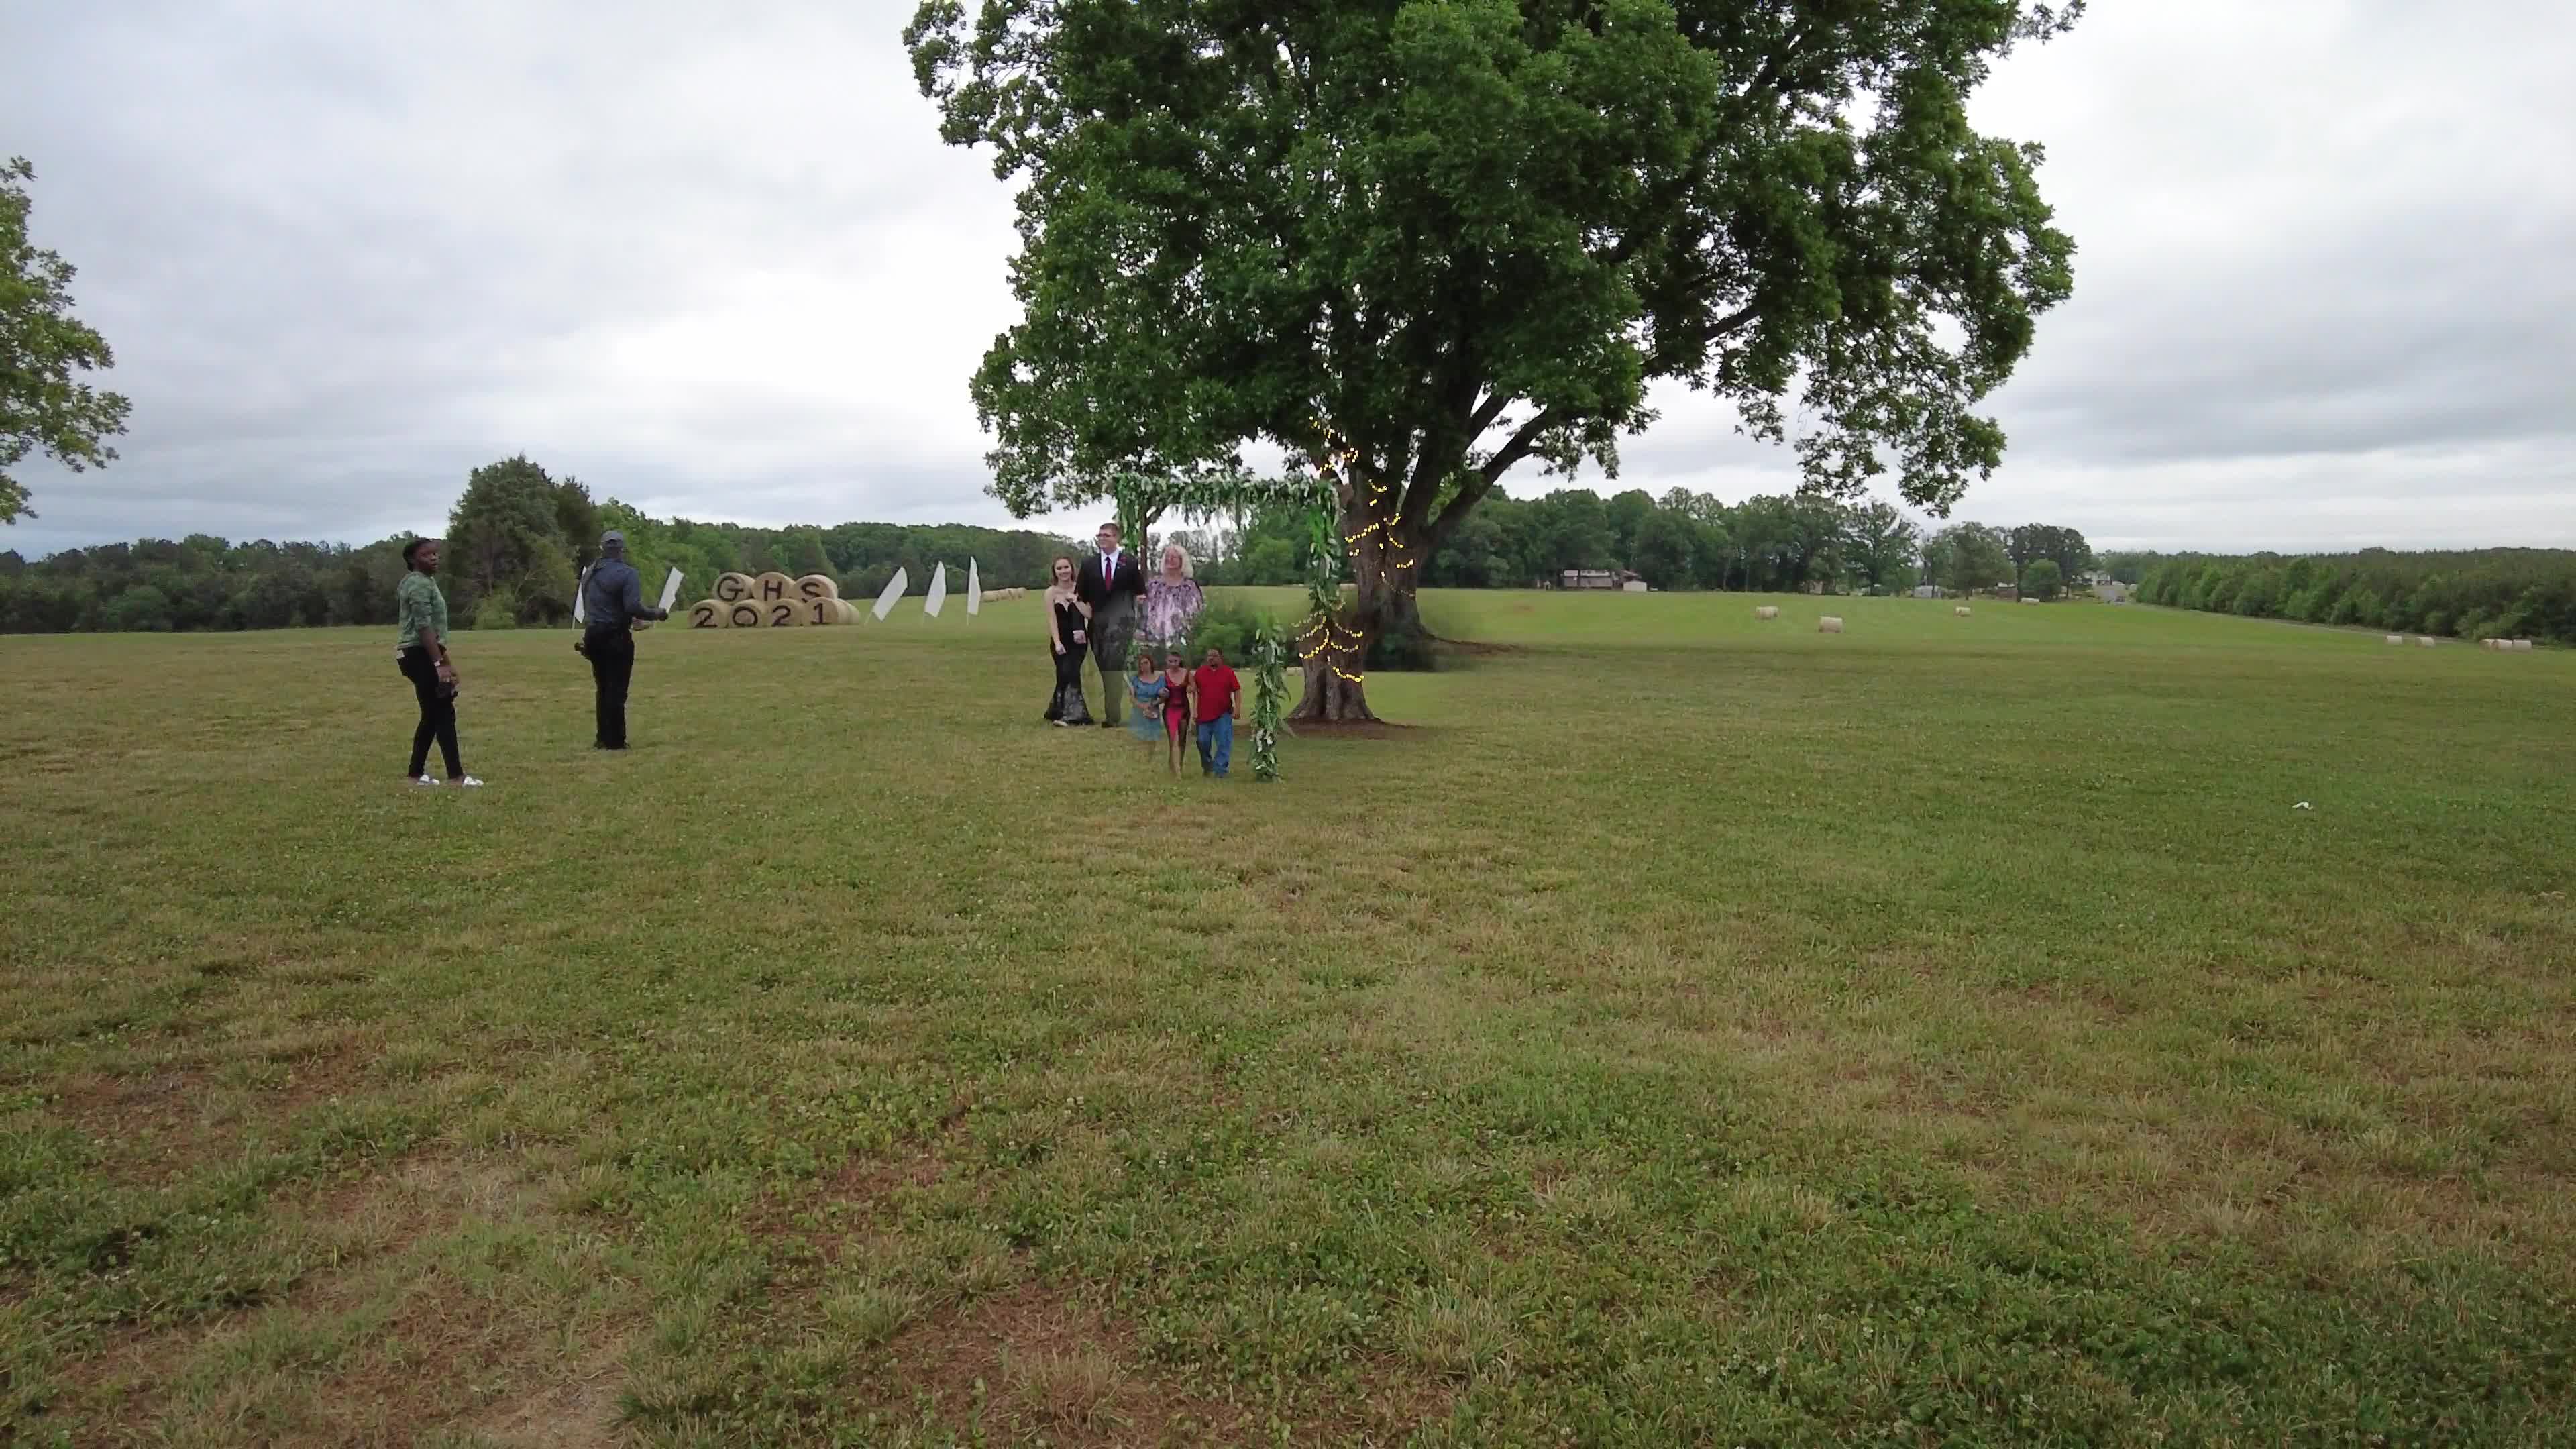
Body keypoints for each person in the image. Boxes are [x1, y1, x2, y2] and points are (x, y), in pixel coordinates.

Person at [394, 538, 480, 788]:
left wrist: (447, 662)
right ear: (412, 560)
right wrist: (438, 664)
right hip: (418, 654)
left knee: (432, 716)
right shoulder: (418, 584)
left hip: (422, 654)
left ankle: (415, 775)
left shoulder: (426, 582)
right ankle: (456, 777)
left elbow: (434, 633)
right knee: (444, 713)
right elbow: (424, 627)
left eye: (435, 554)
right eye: (426, 555)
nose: (433, 558)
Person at [575, 529, 669, 750]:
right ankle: (615, 741)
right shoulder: (628, 574)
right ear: (621, 550)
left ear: (602, 549)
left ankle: (602, 738)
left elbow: (596, 603)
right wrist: (657, 614)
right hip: (616, 636)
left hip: (593, 634)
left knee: (603, 688)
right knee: (617, 689)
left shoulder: (590, 572)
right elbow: (632, 606)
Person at [1075, 521, 1144, 729]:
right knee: (1105, 668)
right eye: (1100, 535)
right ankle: (1113, 711)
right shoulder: (1089, 564)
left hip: (1122, 626)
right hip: (1097, 626)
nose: (1102, 539)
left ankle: (1112, 715)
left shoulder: (1129, 563)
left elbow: (1140, 595)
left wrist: (1139, 624)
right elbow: (1080, 598)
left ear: (1117, 539)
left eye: (1107, 535)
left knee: (1114, 667)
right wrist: (1080, 625)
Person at [1042, 556, 1093, 725]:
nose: (1063, 571)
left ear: (1072, 569)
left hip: (1078, 642)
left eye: (1066, 567)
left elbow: (1089, 614)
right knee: (1062, 674)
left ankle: (1074, 715)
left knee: (1071, 673)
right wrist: (1057, 642)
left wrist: (1076, 600)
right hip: (1060, 640)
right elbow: (1052, 620)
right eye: (1059, 568)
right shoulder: (1050, 593)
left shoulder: (1081, 589)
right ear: (1054, 572)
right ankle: (1058, 710)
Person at [1140, 542, 1205, 658]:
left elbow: (1197, 611)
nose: (1169, 559)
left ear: (1182, 561)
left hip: (1182, 641)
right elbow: (1143, 608)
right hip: (1154, 639)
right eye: (1167, 556)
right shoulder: (1153, 584)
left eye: (1174, 557)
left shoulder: (1189, 586)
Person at [1193, 645, 1243, 779]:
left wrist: (1238, 709)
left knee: (1224, 743)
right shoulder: (1200, 673)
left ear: (1221, 658)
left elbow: (1237, 690)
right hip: (1203, 715)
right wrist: (1194, 710)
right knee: (1202, 742)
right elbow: (1193, 691)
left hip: (1223, 714)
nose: (1211, 658)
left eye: (1214, 656)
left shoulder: (1228, 672)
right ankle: (1208, 764)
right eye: (1209, 656)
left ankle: (1221, 770)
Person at [1157, 651, 1195, 777]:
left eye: (1176, 661)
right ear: (1166, 662)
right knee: (1173, 739)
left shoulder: (1187, 673)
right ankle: (1176, 769)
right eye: (1170, 662)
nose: (1173, 664)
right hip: (1169, 710)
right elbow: (1159, 691)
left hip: (1184, 710)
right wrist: (1160, 693)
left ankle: (1178, 764)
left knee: (1182, 740)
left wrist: (1190, 688)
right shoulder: (1164, 675)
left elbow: (1194, 689)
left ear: (1180, 661)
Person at [1127, 651, 1167, 746]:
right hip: (1138, 712)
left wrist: (1153, 704)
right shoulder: (1135, 679)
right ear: (1139, 666)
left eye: (1146, 663)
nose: (1144, 665)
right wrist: (1142, 706)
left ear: (1151, 664)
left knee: (1152, 740)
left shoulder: (1160, 679)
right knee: (1139, 741)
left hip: (1153, 711)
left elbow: (1164, 698)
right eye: (1142, 664)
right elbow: (1131, 697)